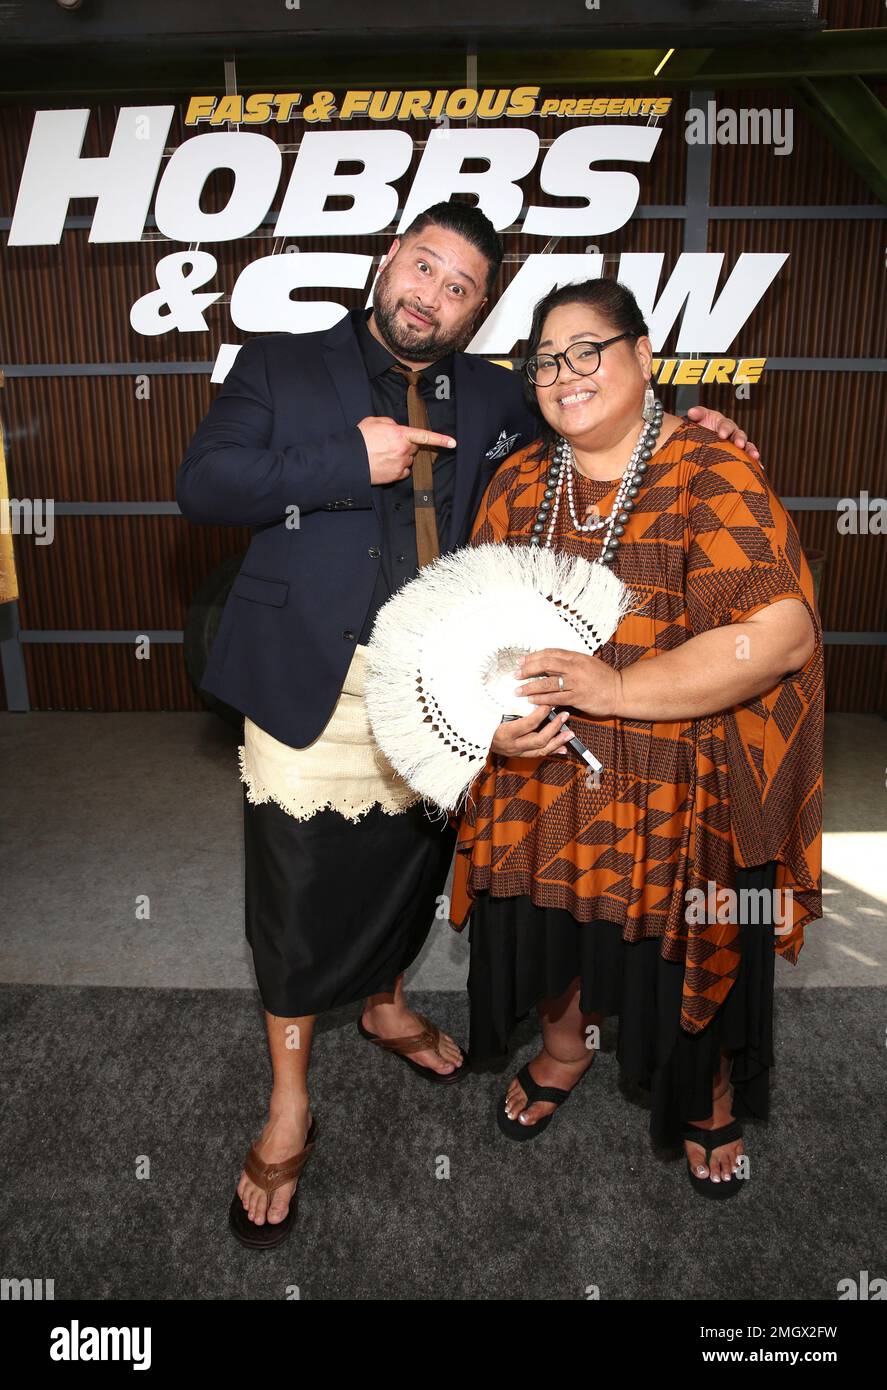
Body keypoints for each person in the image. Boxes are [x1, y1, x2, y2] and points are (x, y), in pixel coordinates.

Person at [176, 203, 761, 1244]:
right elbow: (203, 485)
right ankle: (287, 1103)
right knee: (295, 885)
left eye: (458, 287)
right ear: (385, 262)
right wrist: (342, 463)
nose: (430, 294)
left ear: (475, 310)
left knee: (411, 864)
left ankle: (387, 999)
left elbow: (599, 417)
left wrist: (694, 424)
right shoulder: (279, 364)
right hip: (314, 675)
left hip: (446, 686)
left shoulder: (495, 389)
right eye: (421, 267)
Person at [448, 277, 824, 1198]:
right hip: (542, 772)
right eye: (544, 359)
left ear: (642, 356)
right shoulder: (519, 480)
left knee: (701, 930)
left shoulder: (709, 467)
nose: (563, 373)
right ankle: (566, 1048)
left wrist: (614, 688)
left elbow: (779, 636)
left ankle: (706, 1093)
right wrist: (494, 727)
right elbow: (464, 632)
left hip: (683, 777)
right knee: (547, 927)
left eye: (587, 351)